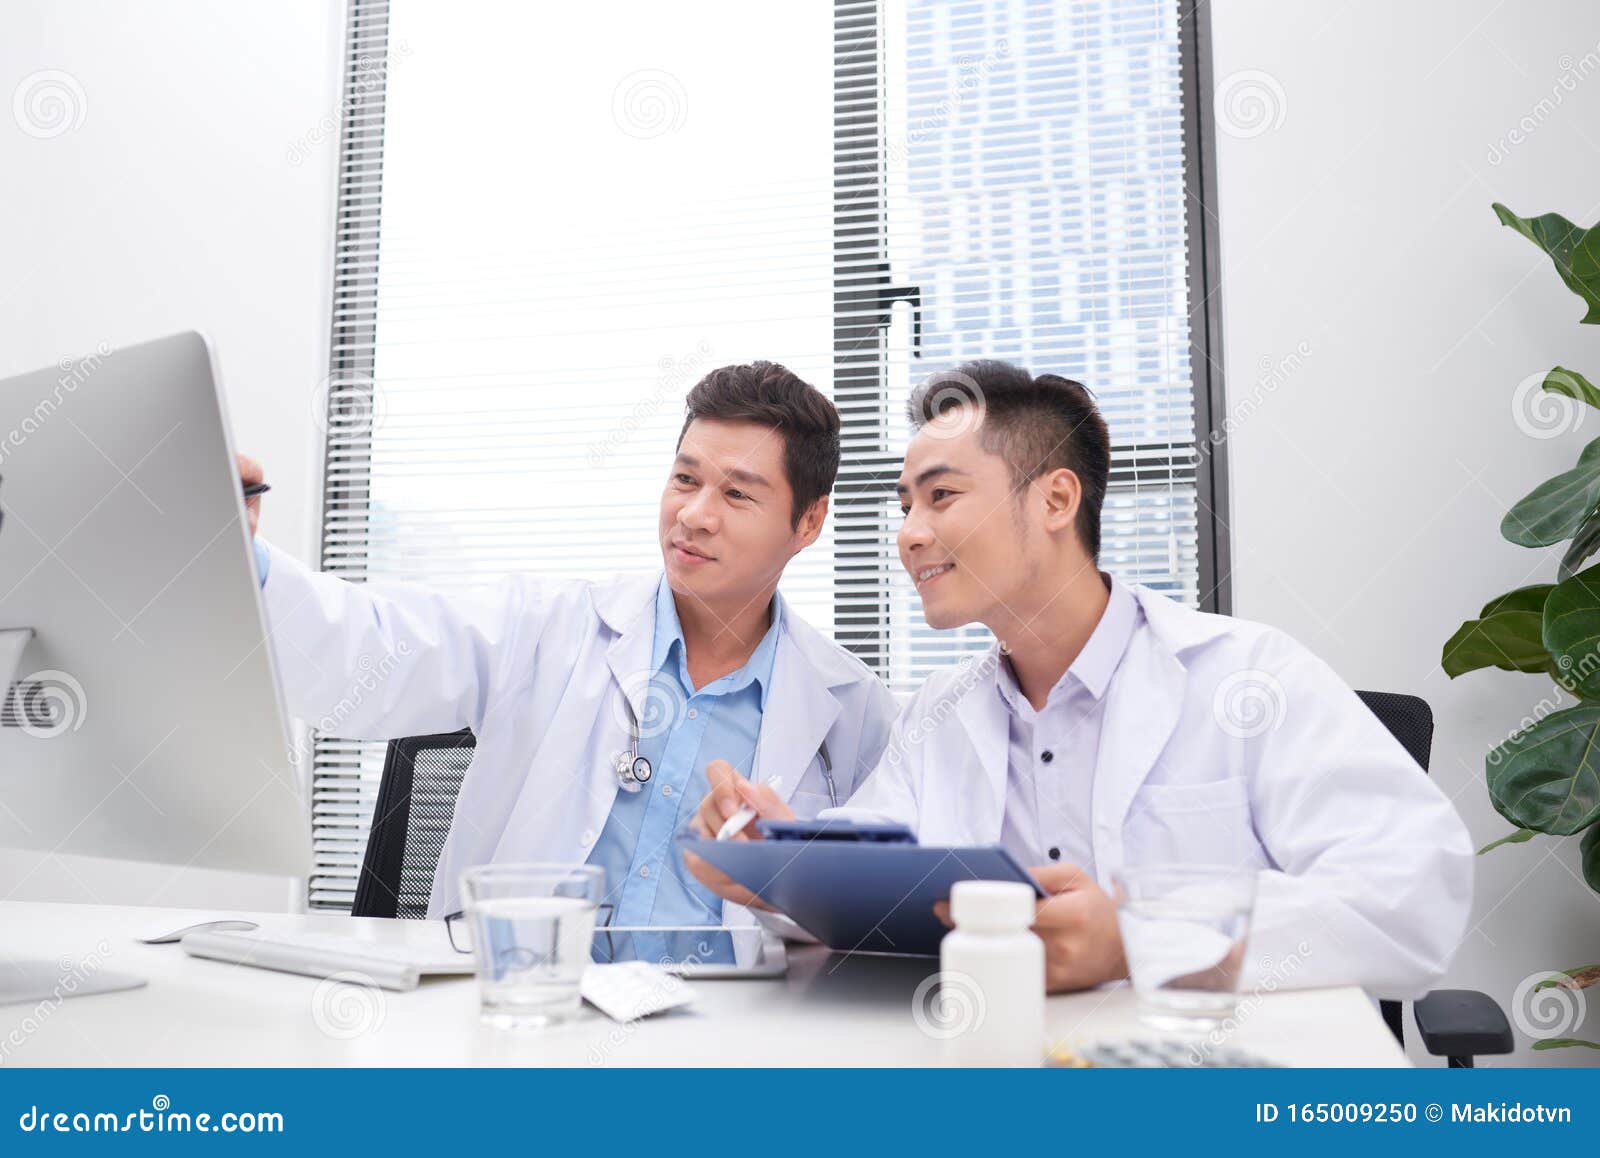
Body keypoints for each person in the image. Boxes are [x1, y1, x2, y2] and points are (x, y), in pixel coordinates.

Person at [688, 360, 1473, 999]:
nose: (910, 533)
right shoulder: (938, 712)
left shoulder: (1248, 677)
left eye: (942, 496)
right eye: (904, 504)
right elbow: (887, 887)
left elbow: (1413, 895)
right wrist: (785, 866)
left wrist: (1141, 942)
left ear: (1057, 498)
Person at [243, 361, 898, 922]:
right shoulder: (544, 627)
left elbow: (875, 914)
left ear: (809, 520)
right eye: (686, 479)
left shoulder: (855, 711)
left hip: (724, 1044)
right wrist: (243, 556)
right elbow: (370, 647)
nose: (694, 515)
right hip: (534, 1018)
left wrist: (792, 874)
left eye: (736, 494)